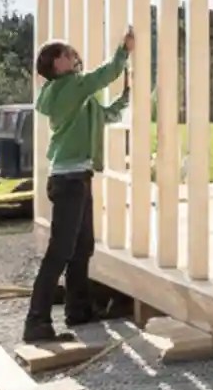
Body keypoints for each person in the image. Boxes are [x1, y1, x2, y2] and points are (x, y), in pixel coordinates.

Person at [24, 28, 134, 342]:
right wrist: (123, 50)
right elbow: (102, 76)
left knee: (81, 247)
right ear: (56, 65)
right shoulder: (65, 89)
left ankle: (78, 310)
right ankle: (36, 322)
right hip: (68, 181)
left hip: (78, 177)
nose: (74, 57)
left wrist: (126, 97)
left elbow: (105, 114)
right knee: (59, 252)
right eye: (68, 54)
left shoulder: (76, 97)